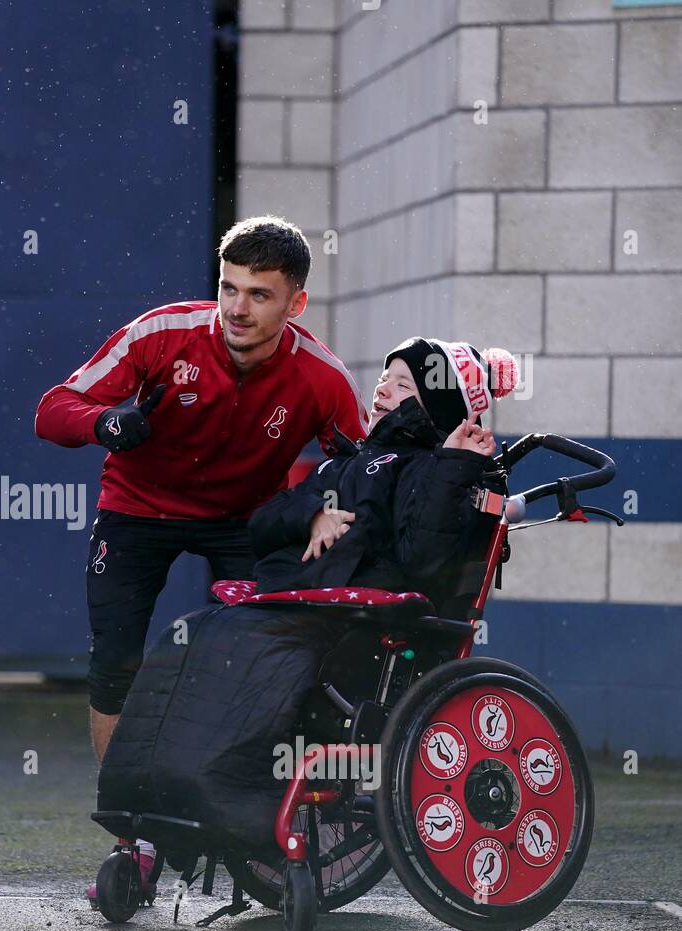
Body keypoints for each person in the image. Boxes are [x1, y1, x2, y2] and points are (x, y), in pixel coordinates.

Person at [36, 215, 367, 902]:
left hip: (238, 520)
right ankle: (136, 842)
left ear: (295, 304)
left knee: (263, 658)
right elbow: (52, 409)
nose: (237, 309)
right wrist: (108, 423)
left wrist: (325, 502)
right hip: (136, 506)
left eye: (259, 295)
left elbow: (366, 467)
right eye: (229, 288)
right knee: (115, 663)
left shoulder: (321, 377)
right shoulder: (163, 334)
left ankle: (242, 812)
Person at [96, 338, 513, 857]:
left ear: (439, 411)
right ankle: (148, 807)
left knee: (245, 650)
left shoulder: (431, 469)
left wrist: (453, 463)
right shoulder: (343, 463)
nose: (384, 388)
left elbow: (423, 559)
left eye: (404, 385)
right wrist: (311, 515)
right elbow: (266, 521)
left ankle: (224, 804)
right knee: (193, 636)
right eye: (385, 377)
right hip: (301, 603)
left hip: (352, 621)